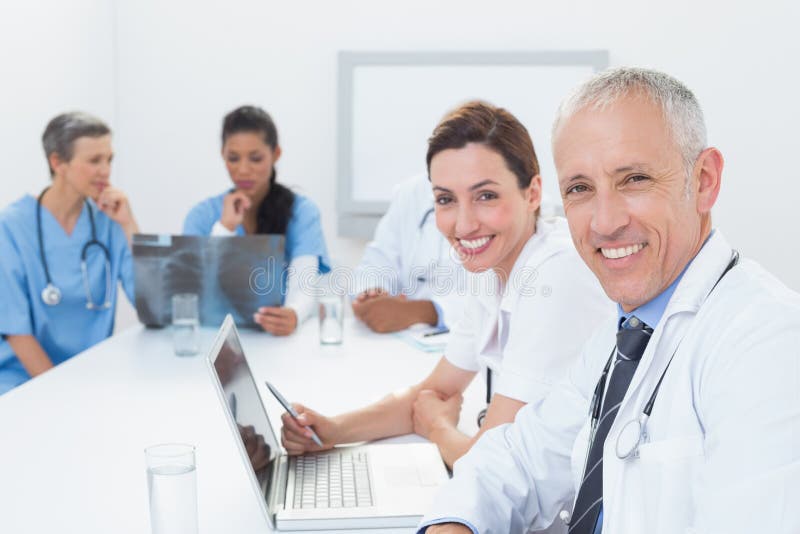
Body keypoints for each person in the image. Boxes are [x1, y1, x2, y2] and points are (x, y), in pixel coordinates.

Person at [419, 68, 800, 534]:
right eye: (580, 189)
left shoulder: (768, 343)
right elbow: (515, 461)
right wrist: (452, 524)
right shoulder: (624, 337)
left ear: (703, 181)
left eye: (634, 179)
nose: (604, 222)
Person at [281, 102, 612, 470]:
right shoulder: (492, 270)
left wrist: (438, 427)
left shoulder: (556, 273)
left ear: (533, 193)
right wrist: (329, 431)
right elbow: (434, 391)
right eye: (445, 200)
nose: (464, 224)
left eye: (485, 196)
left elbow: (489, 466)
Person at [0, 112, 138, 395]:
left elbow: (148, 301)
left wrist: (128, 224)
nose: (105, 171)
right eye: (94, 161)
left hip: (90, 374)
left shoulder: (108, 221)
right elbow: (16, 330)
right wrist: (60, 395)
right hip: (23, 378)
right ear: (57, 162)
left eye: (109, 159)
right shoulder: (12, 227)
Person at [183, 105, 330, 336]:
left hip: (280, 342)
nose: (243, 170)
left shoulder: (301, 212)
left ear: (276, 154)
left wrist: (293, 314)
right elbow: (195, 295)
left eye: (255, 158)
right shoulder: (201, 216)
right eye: (233, 158)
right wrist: (224, 229)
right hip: (216, 340)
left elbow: (304, 283)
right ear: (222, 155)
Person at [351, 172, 465, 333]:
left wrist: (425, 311)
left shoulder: (491, 189)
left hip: (473, 341)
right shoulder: (411, 192)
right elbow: (378, 260)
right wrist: (371, 294)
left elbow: (498, 294)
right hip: (407, 339)